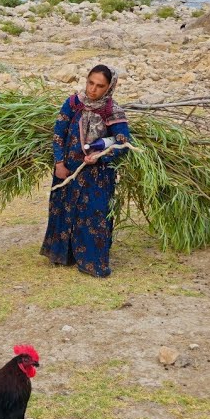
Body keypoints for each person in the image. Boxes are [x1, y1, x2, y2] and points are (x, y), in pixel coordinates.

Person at [40, 64, 133, 278]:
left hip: (98, 175)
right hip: (68, 170)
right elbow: (58, 134)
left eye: (100, 86)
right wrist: (59, 164)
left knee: (93, 214)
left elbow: (123, 143)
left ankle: (93, 262)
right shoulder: (73, 103)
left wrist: (101, 156)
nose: (93, 89)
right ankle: (63, 255)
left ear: (110, 87)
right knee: (63, 208)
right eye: (91, 83)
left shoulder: (113, 111)